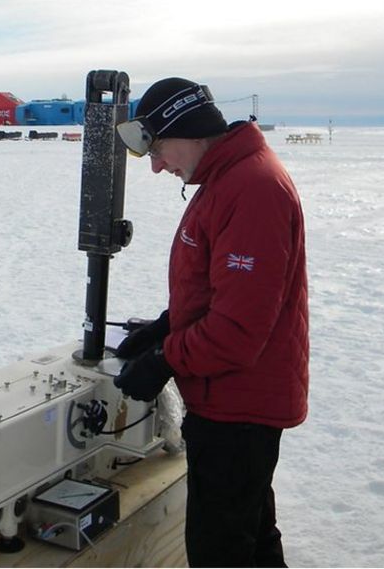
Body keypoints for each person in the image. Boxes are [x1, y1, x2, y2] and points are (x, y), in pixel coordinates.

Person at [113, 77, 309, 568]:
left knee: (220, 553)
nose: (158, 165)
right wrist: (166, 325)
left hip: (239, 409)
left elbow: (238, 332)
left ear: (192, 129)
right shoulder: (227, 178)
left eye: (158, 149)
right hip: (229, 402)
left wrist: (163, 359)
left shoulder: (252, 188)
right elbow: (224, 292)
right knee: (252, 537)